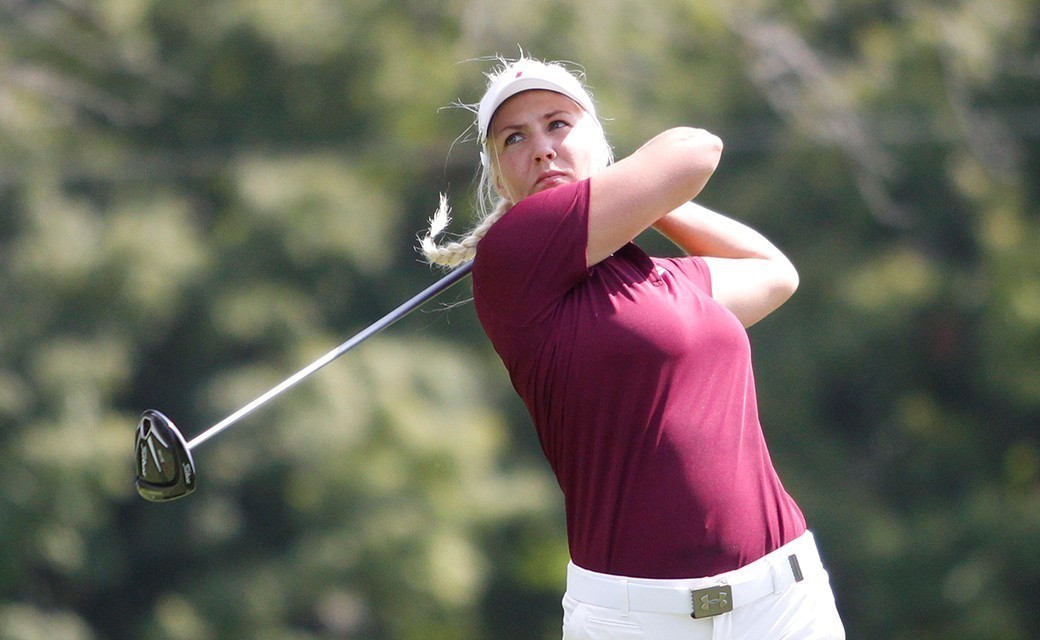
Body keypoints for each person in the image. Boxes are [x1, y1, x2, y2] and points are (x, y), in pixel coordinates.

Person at [419, 55, 845, 640]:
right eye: (515, 138)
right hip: (635, 620)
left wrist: (644, 198)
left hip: (782, 600)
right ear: (498, 178)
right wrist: (631, 187)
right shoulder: (512, 258)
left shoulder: (665, 283)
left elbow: (774, 273)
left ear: (600, 143)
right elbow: (694, 150)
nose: (542, 148)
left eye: (559, 125)